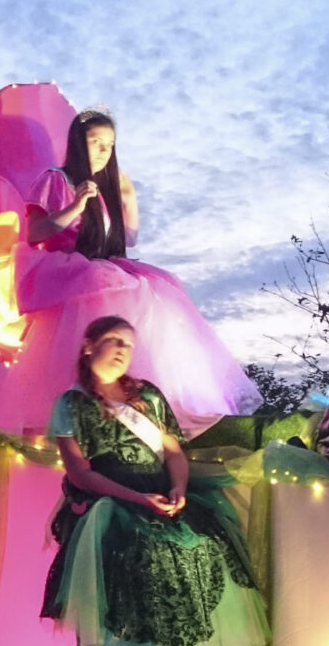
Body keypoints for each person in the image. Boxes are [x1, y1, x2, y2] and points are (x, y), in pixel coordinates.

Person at [41, 316, 269, 646]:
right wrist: (136, 498)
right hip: (110, 501)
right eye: (114, 340)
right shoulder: (71, 404)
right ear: (88, 345)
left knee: (204, 552)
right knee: (139, 571)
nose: (122, 350)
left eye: (129, 343)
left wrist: (178, 487)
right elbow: (79, 473)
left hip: (161, 492)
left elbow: (174, 451)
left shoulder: (147, 395)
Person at [13, 110, 261, 436]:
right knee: (81, 346)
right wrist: (75, 206)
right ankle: (76, 425)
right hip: (71, 276)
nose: (103, 151)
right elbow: (34, 232)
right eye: (95, 142)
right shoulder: (55, 178)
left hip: (102, 269)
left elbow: (128, 238)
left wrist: (128, 196)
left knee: (155, 289)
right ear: (77, 142)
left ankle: (146, 411)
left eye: (109, 145)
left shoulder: (101, 191)